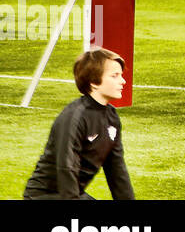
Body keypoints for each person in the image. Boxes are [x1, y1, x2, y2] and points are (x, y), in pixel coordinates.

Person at [24, 48, 134, 200]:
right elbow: (66, 168)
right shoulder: (75, 116)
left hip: (74, 192)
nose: (123, 81)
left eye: (121, 75)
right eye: (115, 76)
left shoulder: (111, 117)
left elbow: (116, 170)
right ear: (94, 82)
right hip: (44, 196)